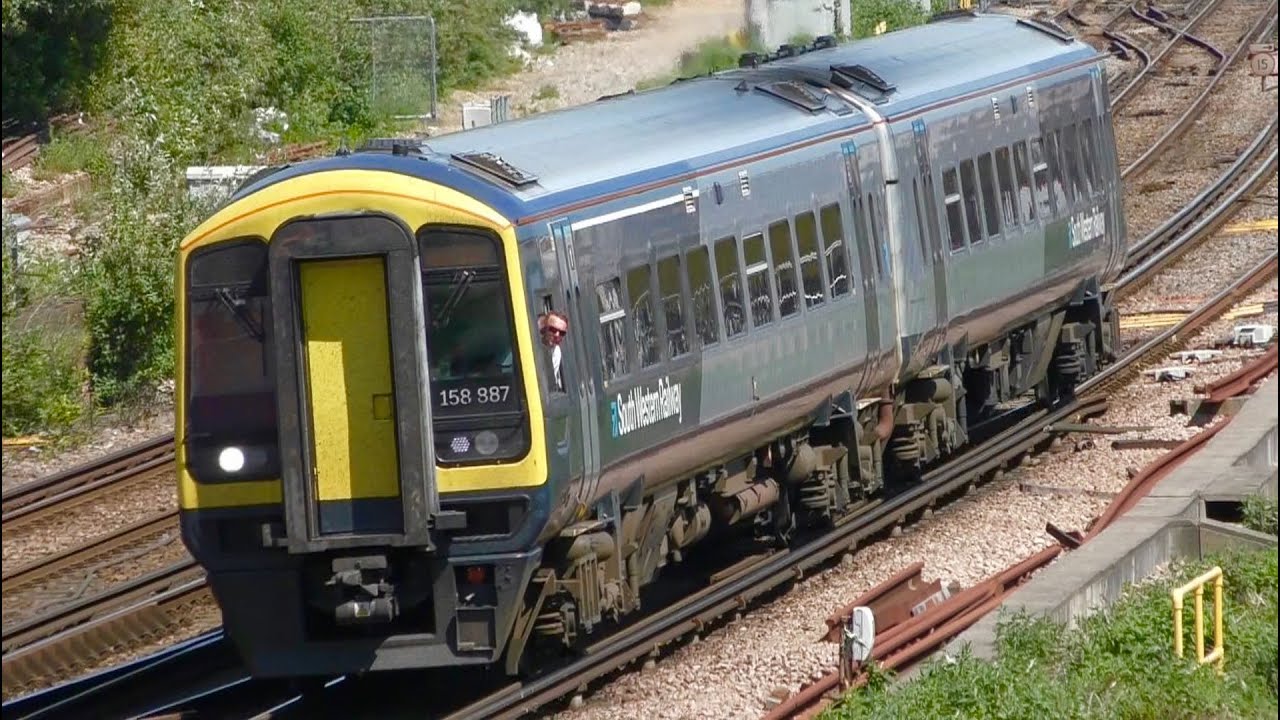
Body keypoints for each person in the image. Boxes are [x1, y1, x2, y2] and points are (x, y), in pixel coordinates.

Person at [538, 311, 569, 391]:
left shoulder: (556, 352)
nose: (557, 335)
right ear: (544, 328)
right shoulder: (534, 345)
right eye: (553, 329)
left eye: (562, 333)